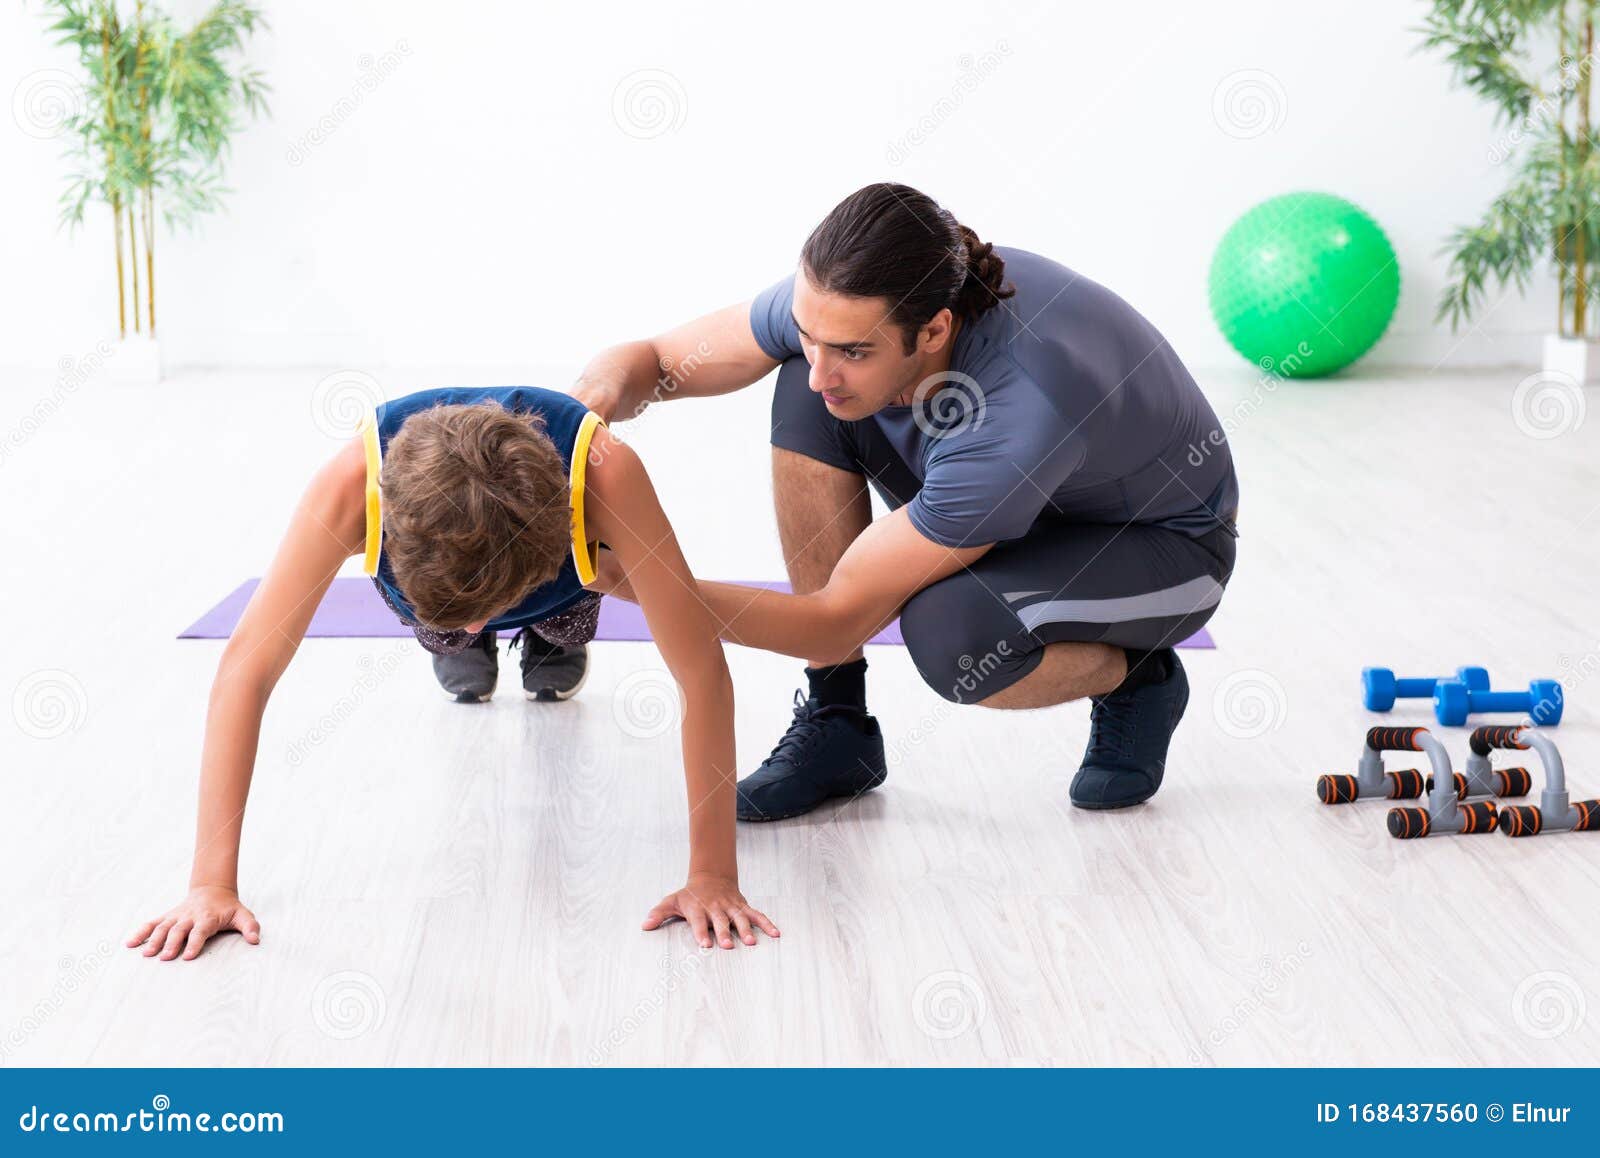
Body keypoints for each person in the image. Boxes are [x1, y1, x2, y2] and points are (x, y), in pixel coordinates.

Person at [576, 183, 1239, 821]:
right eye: (810, 334)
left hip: (1162, 546)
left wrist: (634, 583)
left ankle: (1137, 676)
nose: (821, 362)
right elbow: (661, 360)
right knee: (811, 397)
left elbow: (836, 620)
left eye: (852, 351)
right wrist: (581, 415)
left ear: (933, 330)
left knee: (954, 639)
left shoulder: (1016, 416)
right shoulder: (848, 303)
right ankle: (837, 725)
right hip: (1027, 496)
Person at [129, 386, 778, 961]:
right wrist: (210, 883)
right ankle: (446, 635)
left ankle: (547, 634)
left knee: (565, 621)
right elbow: (248, 666)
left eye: (483, 617)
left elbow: (700, 672)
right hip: (440, 585)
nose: (476, 626)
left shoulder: (606, 474)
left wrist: (714, 874)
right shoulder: (352, 484)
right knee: (450, 635)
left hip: (564, 577)